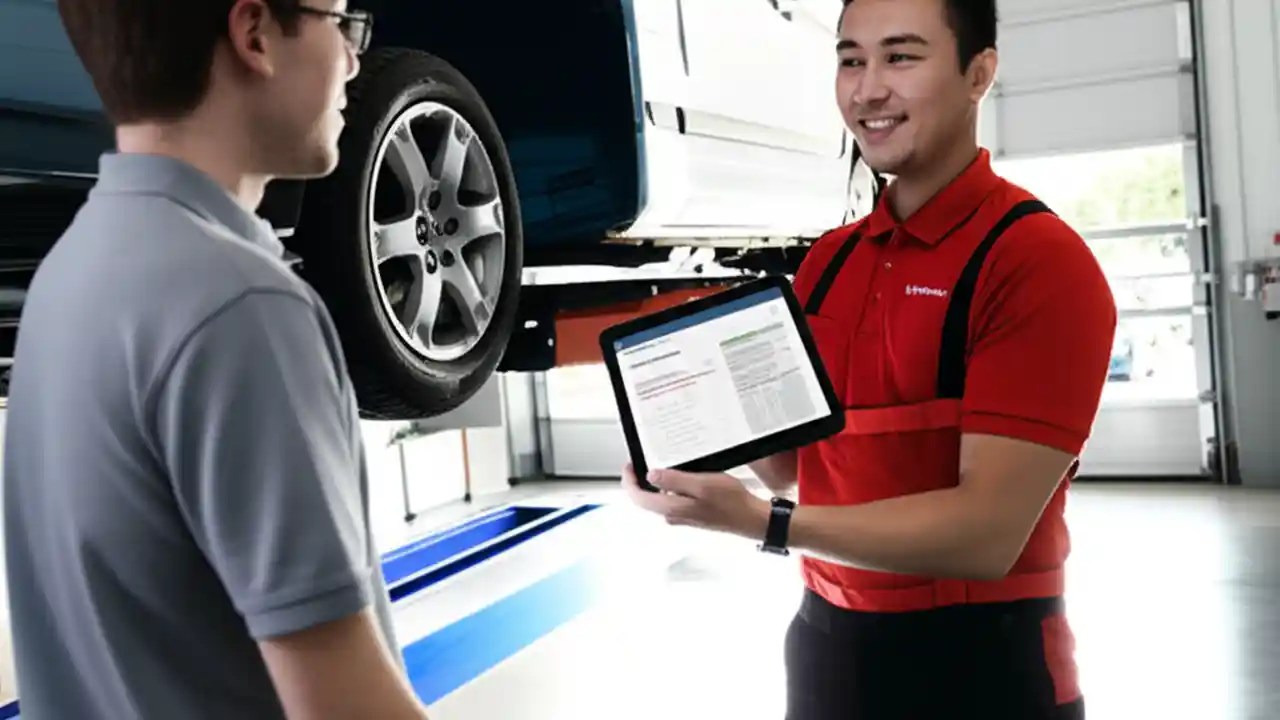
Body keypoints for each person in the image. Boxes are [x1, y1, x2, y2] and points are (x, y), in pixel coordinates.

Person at [623, 0, 1116, 718]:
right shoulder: (829, 262)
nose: (867, 89)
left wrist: (767, 525)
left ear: (979, 73)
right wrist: (703, 434)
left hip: (982, 663)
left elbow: (988, 533)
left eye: (901, 57)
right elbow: (804, 471)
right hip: (827, 645)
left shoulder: (1036, 261)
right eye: (851, 59)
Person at [3, 1, 434, 718]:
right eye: (342, 22)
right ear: (255, 34)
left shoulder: (71, 270)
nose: (355, 59)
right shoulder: (241, 307)